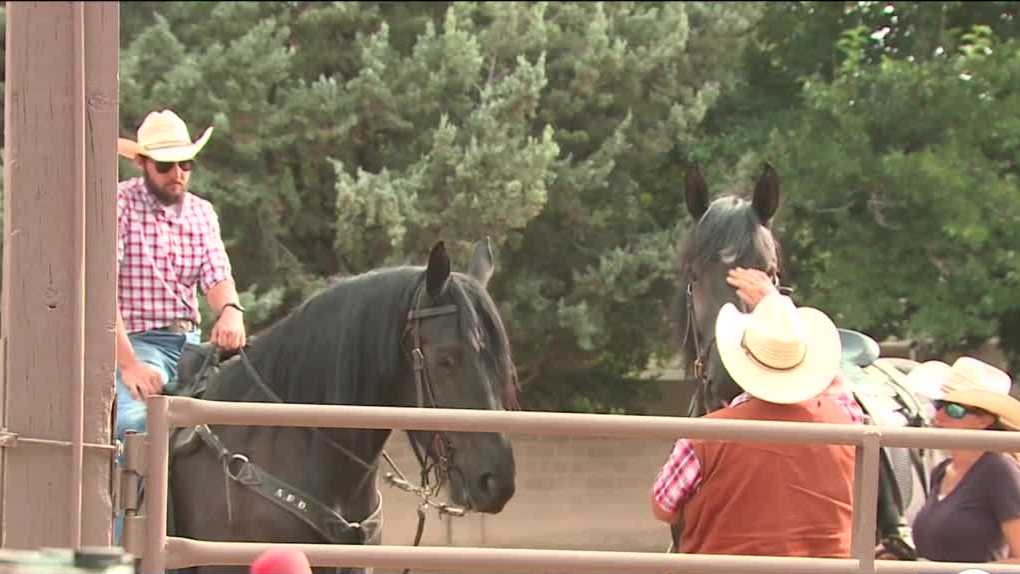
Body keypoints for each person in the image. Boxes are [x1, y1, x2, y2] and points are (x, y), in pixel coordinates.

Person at [651, 268, 860, 557]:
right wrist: (778, 308)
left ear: (741, 357)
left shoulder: (703, 436)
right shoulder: (846, 423)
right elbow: (838, 387)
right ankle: (894, 524)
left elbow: (664, 507)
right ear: (807, 361)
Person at [114, 109, 247, 442]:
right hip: (139, 343)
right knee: (136, 425)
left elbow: (217, 276)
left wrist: (230, 312)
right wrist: (129, 364)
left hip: (192, 346)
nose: (177, 173)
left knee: (250, 413)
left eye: (185, 164)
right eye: (164, 165)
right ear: (142, 163)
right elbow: (100, 294)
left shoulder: (201, 212)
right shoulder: (119, 206)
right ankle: (135, 494)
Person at [902, 357, 1020, 564]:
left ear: (985, 420)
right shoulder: (942, 470)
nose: (938, 416)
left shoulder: (999, 471)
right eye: (938, 404)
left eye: (954, 409)